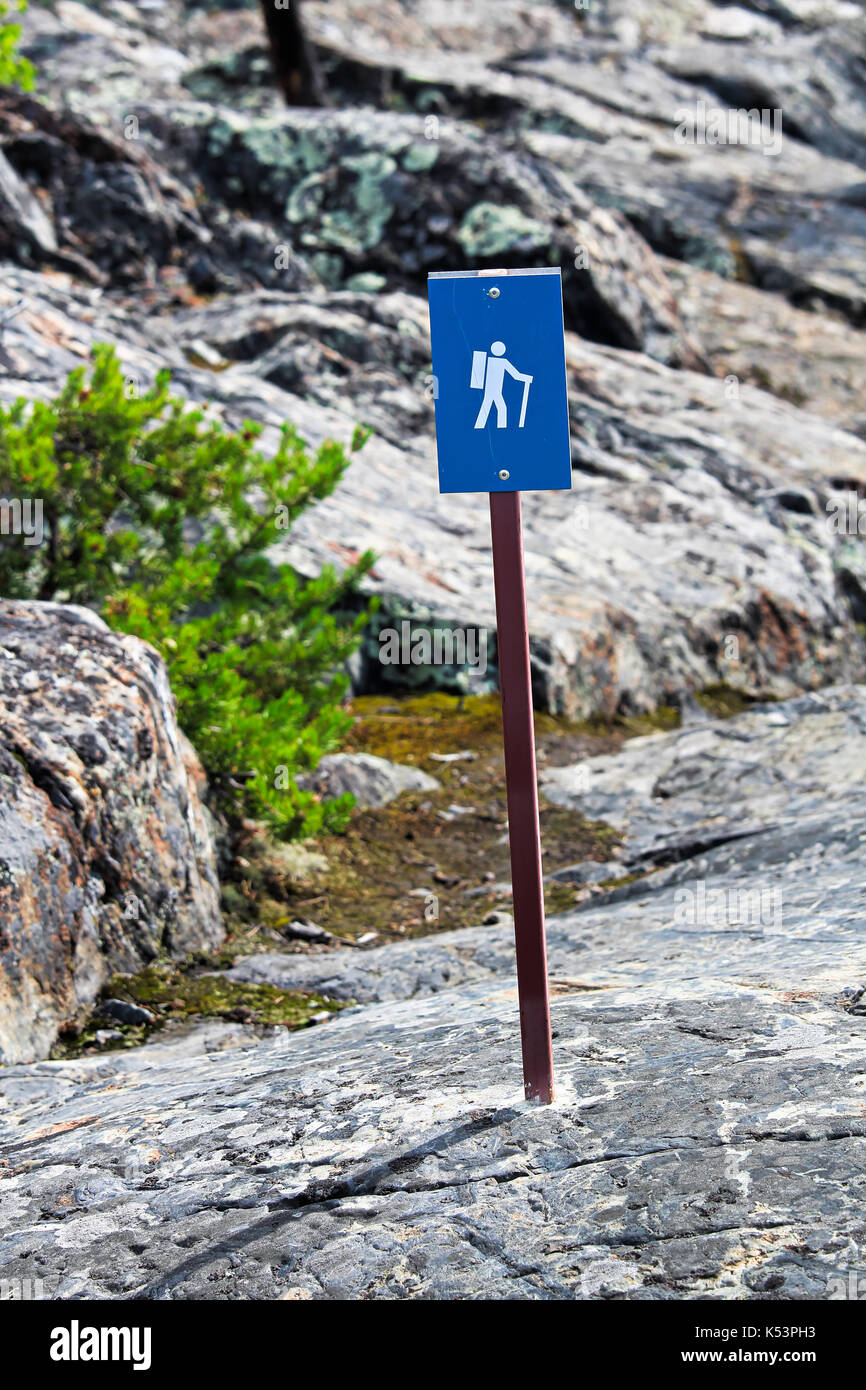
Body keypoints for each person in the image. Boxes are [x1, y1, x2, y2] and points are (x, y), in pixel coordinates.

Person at [473, 341, 533, 429]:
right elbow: (516, 375)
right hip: (495, 391)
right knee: (501, 408)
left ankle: (480, 426)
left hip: (491, 391)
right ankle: (499, 427)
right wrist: (526, 378)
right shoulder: (502, 362)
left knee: (490, 408)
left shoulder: (490, 360)